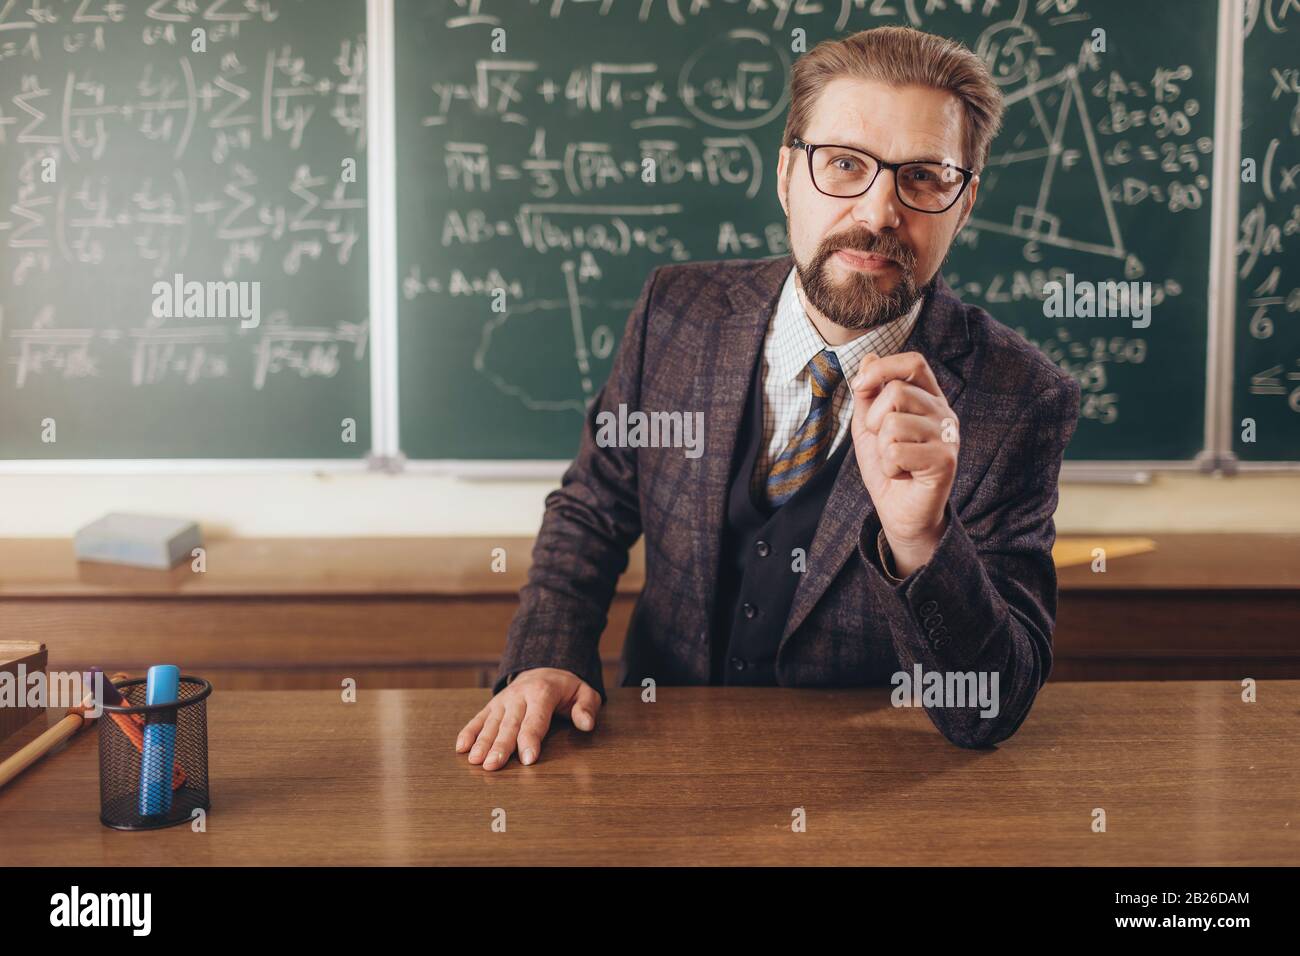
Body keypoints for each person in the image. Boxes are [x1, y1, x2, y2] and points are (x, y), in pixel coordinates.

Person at [456, 25, 1081, 769]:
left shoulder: (1021, 398)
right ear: (786, 174)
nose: (880, 212)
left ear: (965, 202)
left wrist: (920, 542)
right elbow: (593, 509)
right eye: (844, 164)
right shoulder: (675, 311)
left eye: (922, 178)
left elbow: (991, 712)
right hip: (651, 754)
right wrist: (548, 658)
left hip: (870, 786)